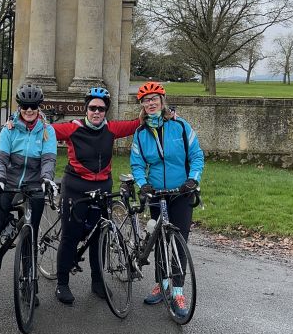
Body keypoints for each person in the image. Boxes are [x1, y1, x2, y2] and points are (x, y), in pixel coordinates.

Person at [51, 86, 143, 306]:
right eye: (92, 107)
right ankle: (62, 283)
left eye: (101, 109)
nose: (96, 112)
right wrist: (16, 120)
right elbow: (41, 129)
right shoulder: (73, 129)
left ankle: (97, 281)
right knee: (70, 237)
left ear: (106, 111)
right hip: (75, 188)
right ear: (86, 108)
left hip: (102, 189)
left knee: (98, 237)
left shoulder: (111, 129)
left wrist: (168, 113)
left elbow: (136, 124)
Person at [0, 84, 57, 290]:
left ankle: (29, 285)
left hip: (34, 185)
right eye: (25, 106)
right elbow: (1, 158)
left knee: (30, 236)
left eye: (33, 106)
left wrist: (47, 179)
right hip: (9, 184)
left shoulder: (47, 131)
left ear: (39, 106)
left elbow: (49, 160)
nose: (29, 110)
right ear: (20, 107)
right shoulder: (10, 129)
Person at [130, 81, 204, 315]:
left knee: (179, 241)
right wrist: (143, 184)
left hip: (181, 192)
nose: (150, 103)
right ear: (142, 105)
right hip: (157, 194)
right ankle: (161, 285)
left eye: (154, 99)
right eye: (146, 100)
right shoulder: (141, 133)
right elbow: (137, 163)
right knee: (160, 240)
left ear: (162, 101)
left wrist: (192, 179)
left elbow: (197, 155)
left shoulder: (181, 126)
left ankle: (178, 292)